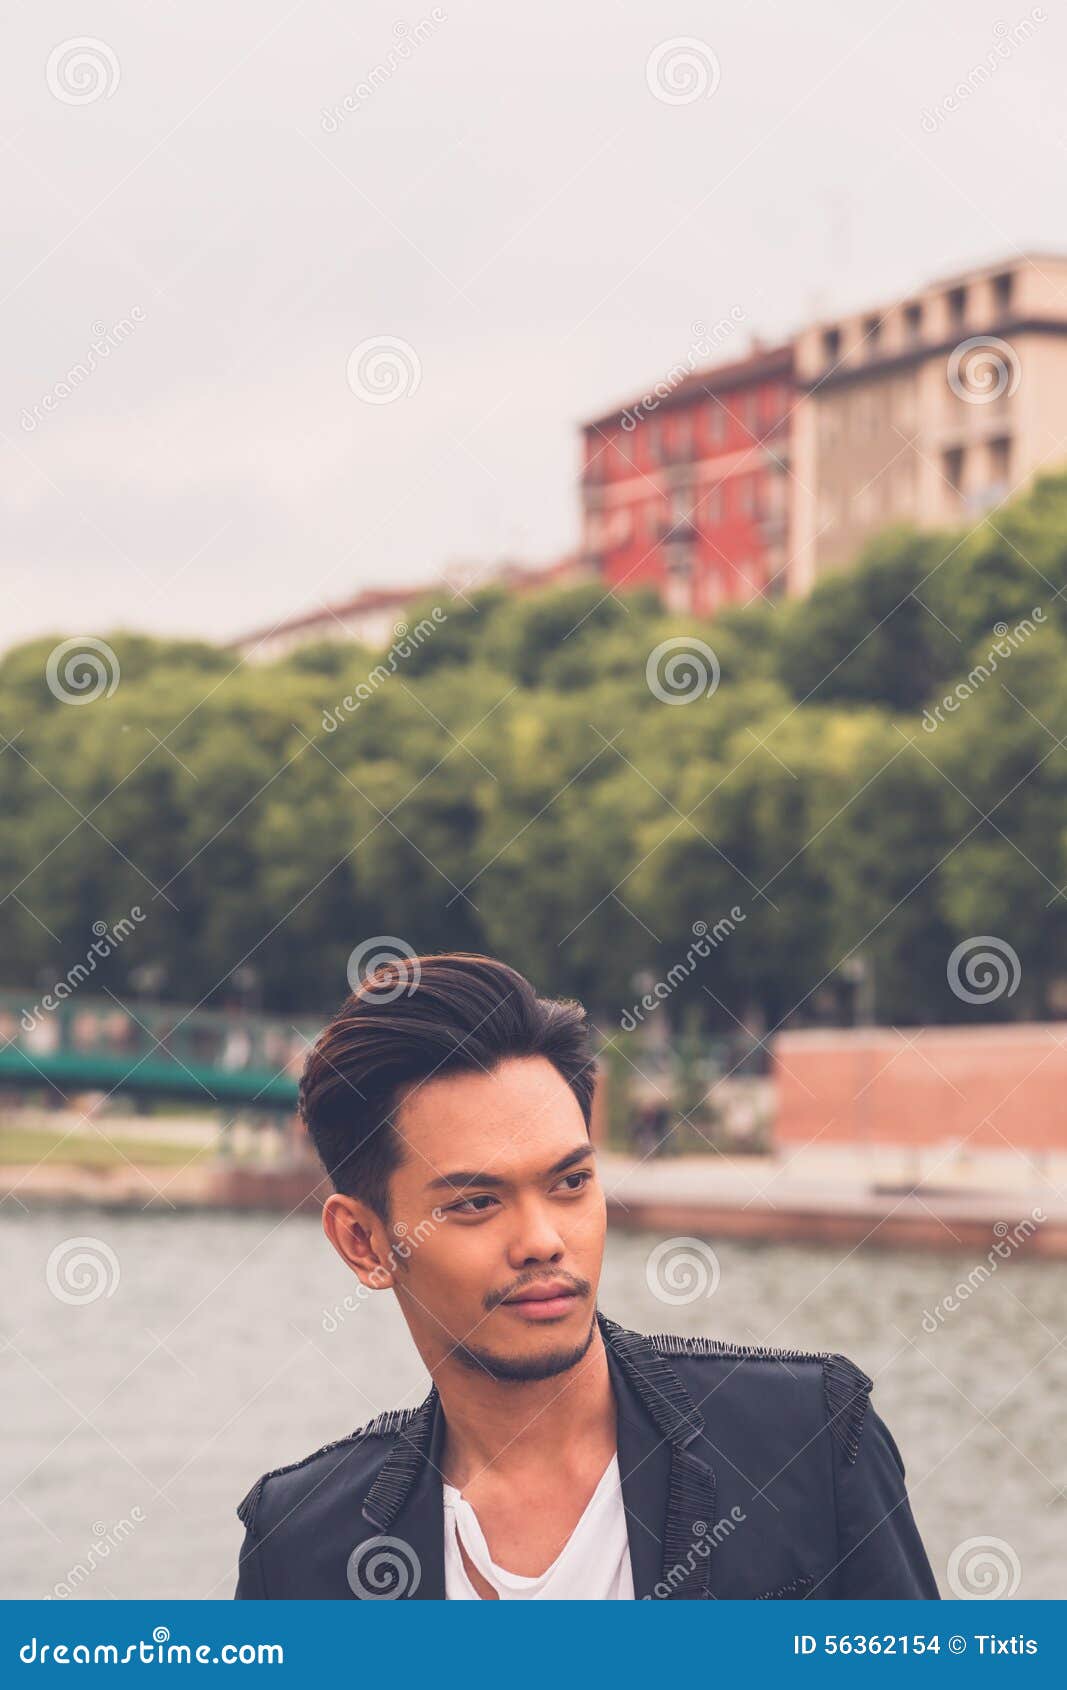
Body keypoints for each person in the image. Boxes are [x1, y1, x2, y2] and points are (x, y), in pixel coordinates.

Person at [233, 952, 938, 1601]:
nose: (543, 1241)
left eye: (570, 1181)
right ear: (363, 1242)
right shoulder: (298, 1545)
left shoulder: (809, 1437)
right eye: (476, 1202)